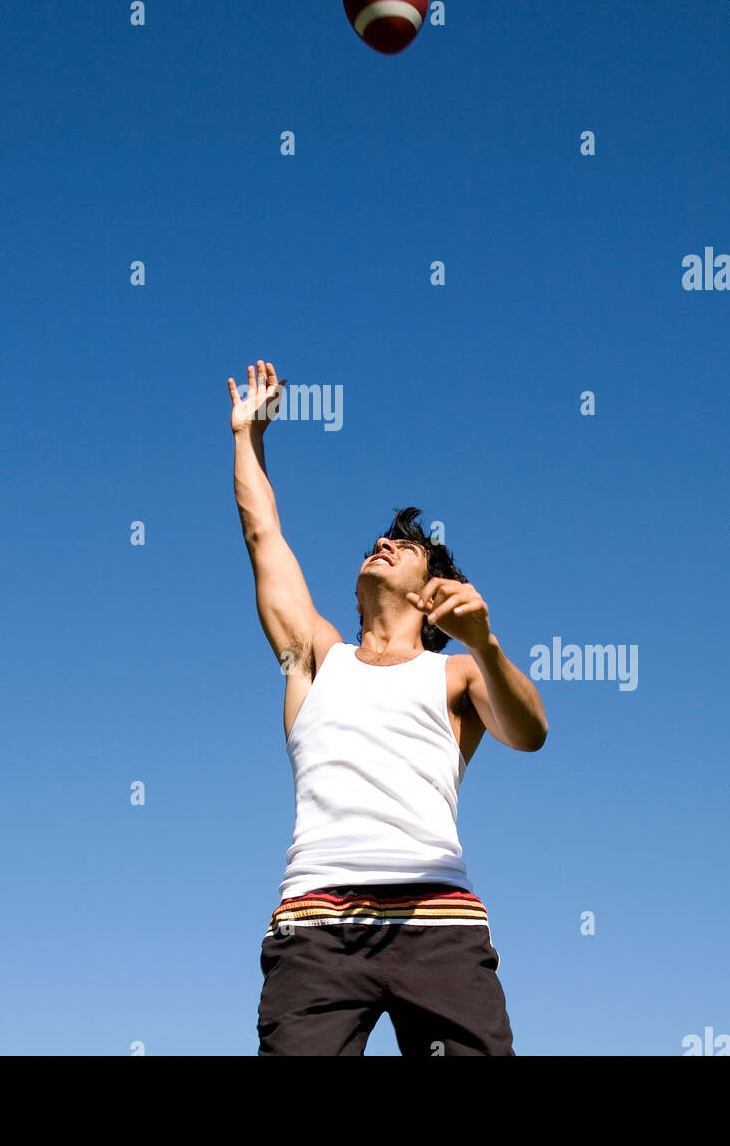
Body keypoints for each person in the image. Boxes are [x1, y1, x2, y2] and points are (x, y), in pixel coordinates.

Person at [228, 359, 549, 1056]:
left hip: (439, 924)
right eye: (381, 540)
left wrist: (487, 643)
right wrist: (247, 438)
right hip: (315, 927)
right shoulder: (315, 658)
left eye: (404, 547)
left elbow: (531, 734)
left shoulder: (458, 673)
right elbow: (264, 540)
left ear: (431, 593)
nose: (384, 543)